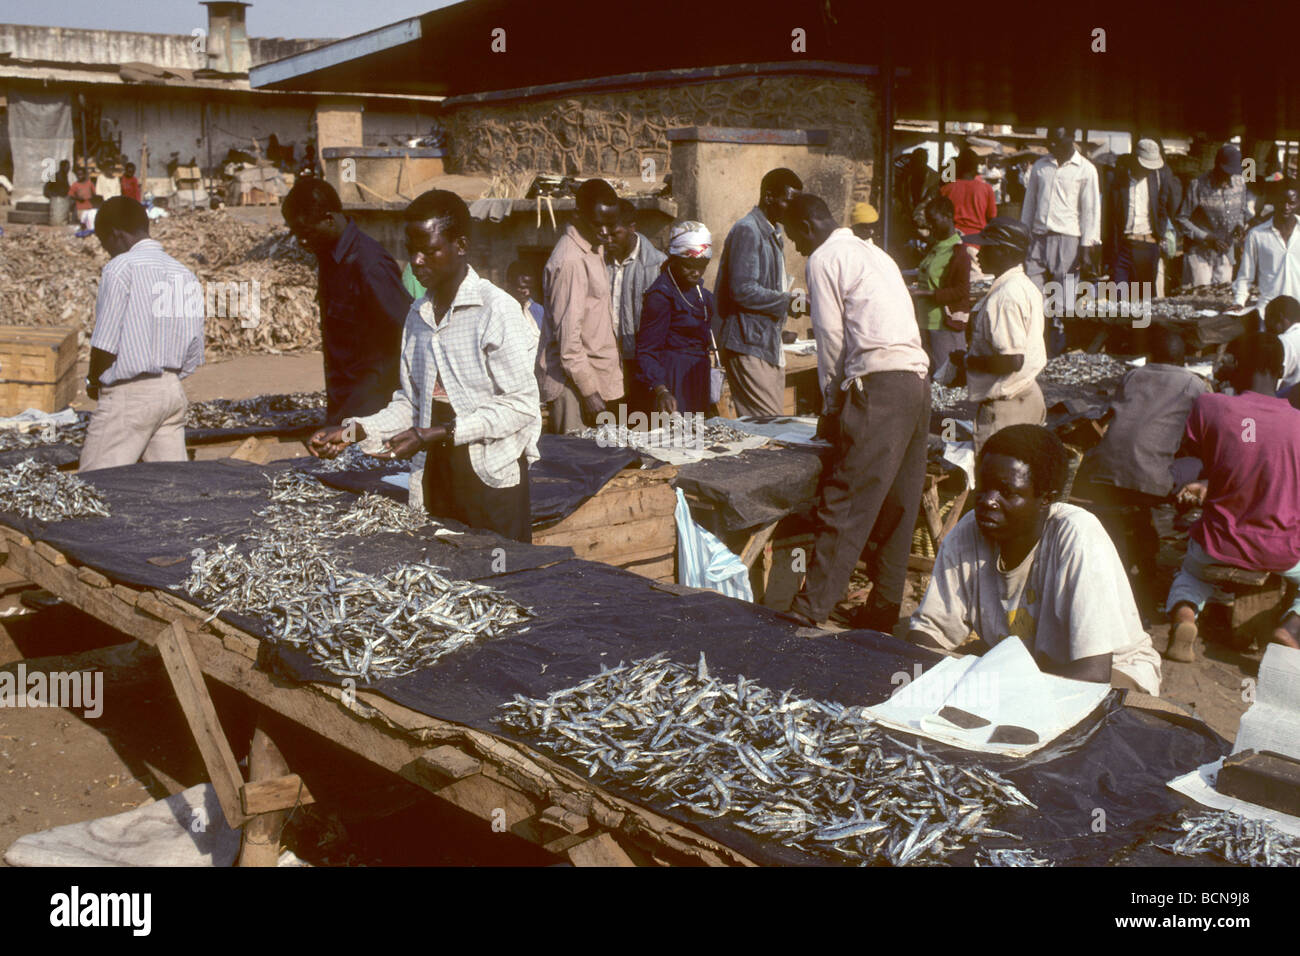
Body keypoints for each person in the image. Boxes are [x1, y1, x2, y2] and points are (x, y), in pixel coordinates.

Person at [308, 190, 541, 542]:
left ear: (460, 245)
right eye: (411, 249)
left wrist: (437, 433)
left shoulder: (496, 310)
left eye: (429, 250)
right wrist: (351, 432)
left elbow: (520, 405)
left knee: (499, 583)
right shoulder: (418, 316)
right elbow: (411, 404)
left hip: (490, 478)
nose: (417, 261)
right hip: (437, 477)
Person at [908, 425, 1162, 696]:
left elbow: (1094, 674)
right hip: (1032, 667)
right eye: (983, 488)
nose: (988, 501)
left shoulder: (1076, 535)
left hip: (1109, 673)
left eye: (1007, 492)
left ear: (1046, 499)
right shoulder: (968, 533)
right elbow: (929, 633)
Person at [780, 193, 930, 633]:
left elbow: (830, 339)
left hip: (881, 385)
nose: (798, 248)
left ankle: (810, 610)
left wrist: (831, 404)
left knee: (847, 501)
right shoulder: (874, 253)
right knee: (900, 504)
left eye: (795, 238)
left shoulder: (825, 257)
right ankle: (882, 609)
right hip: (916, 382)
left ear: (808, 226)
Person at [1165, 333, 1300, 660]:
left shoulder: (1212, 407)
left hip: (1217, 542)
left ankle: (1185, 616)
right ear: (1281, 369)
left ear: (1235, 365)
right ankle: (1291, 628)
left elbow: (1208, 457)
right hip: (1281, 550)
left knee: (1189, 577)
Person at [1077, 326, 1209, 616]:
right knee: (1199, 464)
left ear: (1149, 356)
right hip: (1151, 481)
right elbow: (1203, 433)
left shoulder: (1133, 376)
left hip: (1105, 472)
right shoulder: (1194, 384)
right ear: (1184, 359)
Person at [80, 197, 205, 472]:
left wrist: (93, 380)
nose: (107, 252)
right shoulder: (184, 273)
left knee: (95, 485)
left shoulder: (121, 268)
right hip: (172, 391)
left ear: (115, 235)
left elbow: (105, 341)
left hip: (130, 394)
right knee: (172, 488)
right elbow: (195, 347)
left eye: (104, 244)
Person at [282, 177, 410, 425]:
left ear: (329, 219)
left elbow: (405, 334)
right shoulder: (329, 256)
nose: (301, 242)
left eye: (305, 233)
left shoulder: (369, 265)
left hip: (373, 404)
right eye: (296, 234)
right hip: (343, 398)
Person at [950, 217, 1046, 457]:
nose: (977, 254)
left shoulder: (1006, 296)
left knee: (997, 477)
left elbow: (1012, 361)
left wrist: (967, 362)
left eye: (986, 248)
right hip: (1027, 396)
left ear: (1003, 251)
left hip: (1007, 408)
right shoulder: (1024, 285)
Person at [536, 177, 624, 433]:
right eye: (599, 225)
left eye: (610, 225)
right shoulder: (571, 261)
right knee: (576, 464)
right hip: (574, 387)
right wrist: (589, 392)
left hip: (594, 379)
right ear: (578, 215)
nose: (606, 233)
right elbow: (569, 343)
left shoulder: (594, 248)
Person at [714, 167, 802, 417]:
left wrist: (792, 304)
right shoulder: (748, 230)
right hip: (747, 343)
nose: (792, 209)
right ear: (769, 197)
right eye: (788, 201)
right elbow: (743, 290)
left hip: (766, 343)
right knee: (767, 425)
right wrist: (792, 302)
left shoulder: (773, 232)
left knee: (772, 424)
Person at [1020, 127, 1101, 355]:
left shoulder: (1086, 170)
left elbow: (1090, 212)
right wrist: (1024, 237)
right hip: (1037, 239)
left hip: (1068, 241)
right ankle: (1035, 348)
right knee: (1033, 296)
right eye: (1049, 142)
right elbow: (1029, 205)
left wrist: (1086, 249)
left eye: (1057, 141)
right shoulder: (1040, 167)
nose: (1051, 146)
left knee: (1062, 304)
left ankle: (1058, 351)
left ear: (1070, 140)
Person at [636, 221, 717, 416]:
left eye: (702, 266)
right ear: (674, 259)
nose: (696, 272)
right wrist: (661, 390)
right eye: (689, 266)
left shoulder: (699, 292)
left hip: (697, 376)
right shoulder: (661, 296)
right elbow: (647, 350)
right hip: (673, 377)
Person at [608, 199, 667, 411]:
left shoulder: (657, 265)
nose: (608, 240)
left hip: (642, 365)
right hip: (608, 364)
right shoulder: (600, 262)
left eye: (615, 233)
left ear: (632, 228)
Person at [1176, 144, 1254, 288]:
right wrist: (1207, 237)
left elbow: (1242, 211)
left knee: (1222, 297)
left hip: (1225, 253)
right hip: (1200, 253)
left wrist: (1240, 225)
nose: (1228, 176)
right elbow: (1182, 219)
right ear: (1217, 166)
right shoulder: (1198, 185)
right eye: (1225, 172)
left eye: (1231, 173)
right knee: (1199, 296)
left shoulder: (1240, 183)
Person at [1107, 140, 1180, 289]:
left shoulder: (1159, 179)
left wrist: (1157, 236)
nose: (1148, 170)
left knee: (1143, 301)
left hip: (1148, 247)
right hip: (1123, 247)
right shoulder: (1118, 180)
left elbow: (1164, 208)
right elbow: (1110, 217)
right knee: (1119, 300)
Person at [913, 196, 972, 367]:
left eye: (934, 220)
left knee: (948, 378)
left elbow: (962, 290)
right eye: (928, 221)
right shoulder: (935, 247)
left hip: (944, 324)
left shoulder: (958, 251)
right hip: (925, 321)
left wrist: (924, 293)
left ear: (948, 216)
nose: (930, 225)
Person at [1234, 179, 1300, 314]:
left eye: (1291, 203)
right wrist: (1239, 301)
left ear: (1298, 203)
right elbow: (1245, 274)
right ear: (1274, 201)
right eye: (1282, 201)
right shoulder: (1257, 235)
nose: (1286, 207)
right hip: (1268, 311)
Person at [939, 147, 997, 237]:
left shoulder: (946, 189)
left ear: (959, 167)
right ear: (975, 167)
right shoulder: (987, 189)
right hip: (978, 240)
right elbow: (992, 218)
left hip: (951, 239)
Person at [1264, 295, 1300, 402]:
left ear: (1279, 318)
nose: (1267, 328)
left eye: (1268, 320)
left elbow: (1271, 385)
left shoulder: (1284, 341)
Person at [506, 260, 545, 333]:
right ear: (510, 283)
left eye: (530, 288)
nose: (527, 293)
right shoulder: (501, 309)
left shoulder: (538, 310)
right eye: (522, 288)